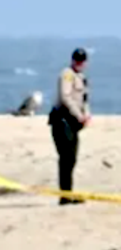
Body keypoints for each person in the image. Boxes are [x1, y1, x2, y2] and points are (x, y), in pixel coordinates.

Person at [49, 47, 91, 205]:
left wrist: (86, 114)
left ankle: (68, 193)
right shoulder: (67, 74)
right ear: (72, 60)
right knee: (66, 158)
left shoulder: (82, 77)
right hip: (62, 121)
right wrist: (79, 115)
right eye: (77, 60)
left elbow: (84, 99)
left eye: (82, 60)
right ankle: (65, 195)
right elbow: (65, 97)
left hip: (73, 123)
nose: (79, 63)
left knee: (72, 158)